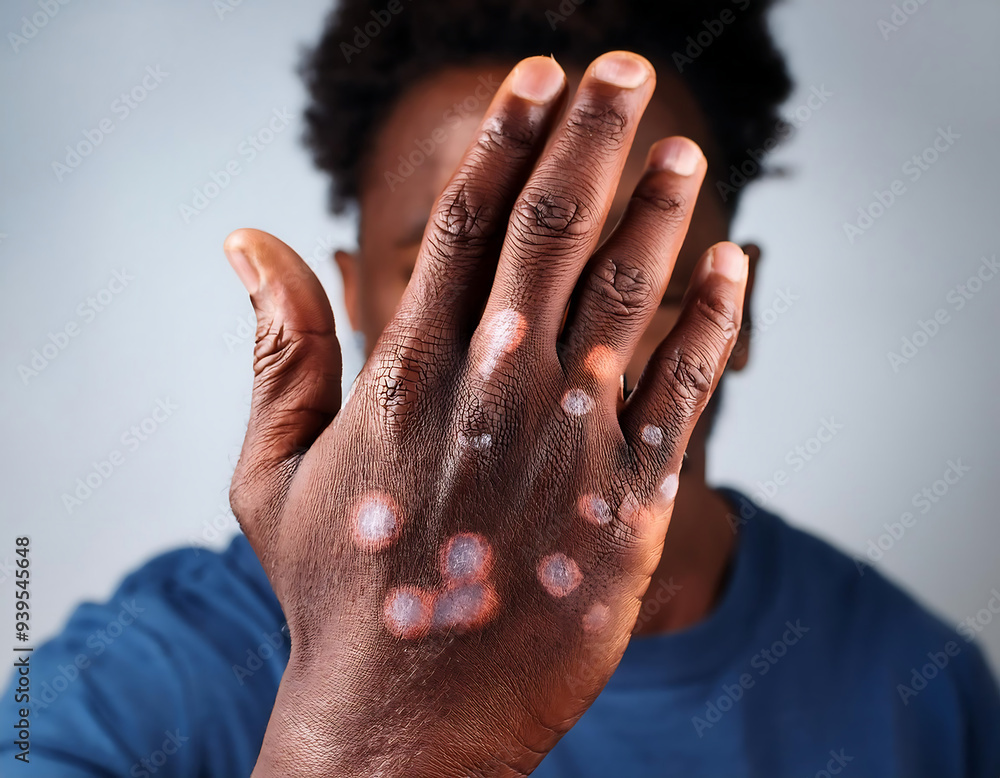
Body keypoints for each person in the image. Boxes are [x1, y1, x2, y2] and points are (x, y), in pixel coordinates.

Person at [5, 1, 999, 776]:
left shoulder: (921, 689)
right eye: (464, 268)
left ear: (730, 309)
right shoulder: (162, 667)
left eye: (627, 268)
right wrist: (379, 738)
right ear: (355, 300)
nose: (537, 343)